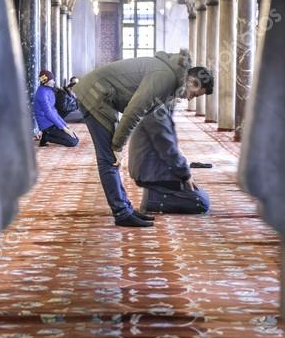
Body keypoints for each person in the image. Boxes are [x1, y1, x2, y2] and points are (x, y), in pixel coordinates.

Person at [75, 50, 212, 227]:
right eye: (195, 94)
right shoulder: (165, 77)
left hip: (102, 96)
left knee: (111, 159)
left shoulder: (170, 79)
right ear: (192, 82)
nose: (191, 99)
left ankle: (125, 209)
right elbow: (135, 111)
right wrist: (117, 146)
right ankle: (122, 212)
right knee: (109, 159)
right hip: (95, 95)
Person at [128, 99, 210, 215]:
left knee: (202, 195)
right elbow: (168, 148)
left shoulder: (161, 106)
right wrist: (185, 174)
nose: (188, 98)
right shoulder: (158, 111)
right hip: (149, 170)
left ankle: (156, 195)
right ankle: (153, 200)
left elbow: (170, 145)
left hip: (150, 166)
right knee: (201, 202)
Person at [34, 70, 79, 148]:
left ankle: (47, 134)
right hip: (47, 125)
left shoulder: (49, 90)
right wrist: (64, 129)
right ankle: (46, 136)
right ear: (46, 82)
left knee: (75, 139)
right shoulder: (42, 94)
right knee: (73, 142)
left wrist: (65, 125)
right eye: (52, 80)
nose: (54, 82)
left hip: (52, 122)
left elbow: (53, 110)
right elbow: (49, 113)